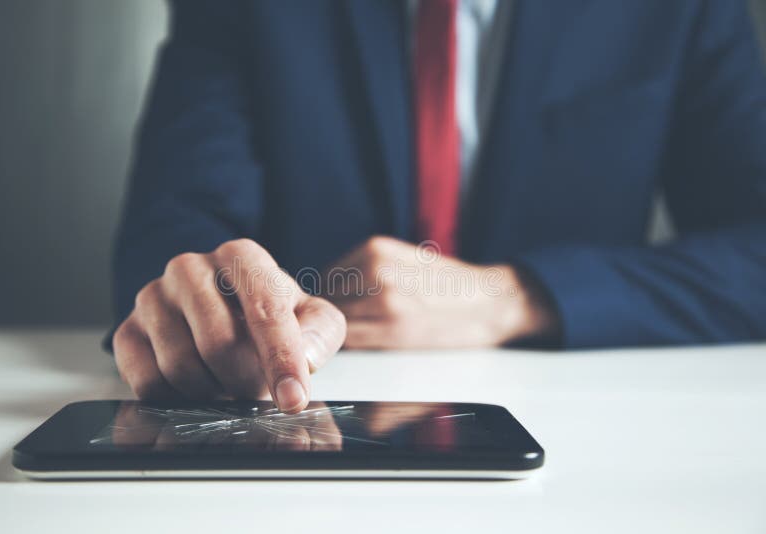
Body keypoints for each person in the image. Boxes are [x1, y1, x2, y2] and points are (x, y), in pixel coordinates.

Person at [110, 0, 766, 413]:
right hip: (305, 422)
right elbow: (172, 239)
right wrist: (204, 303)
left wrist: (515, 298)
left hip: (591, 428)